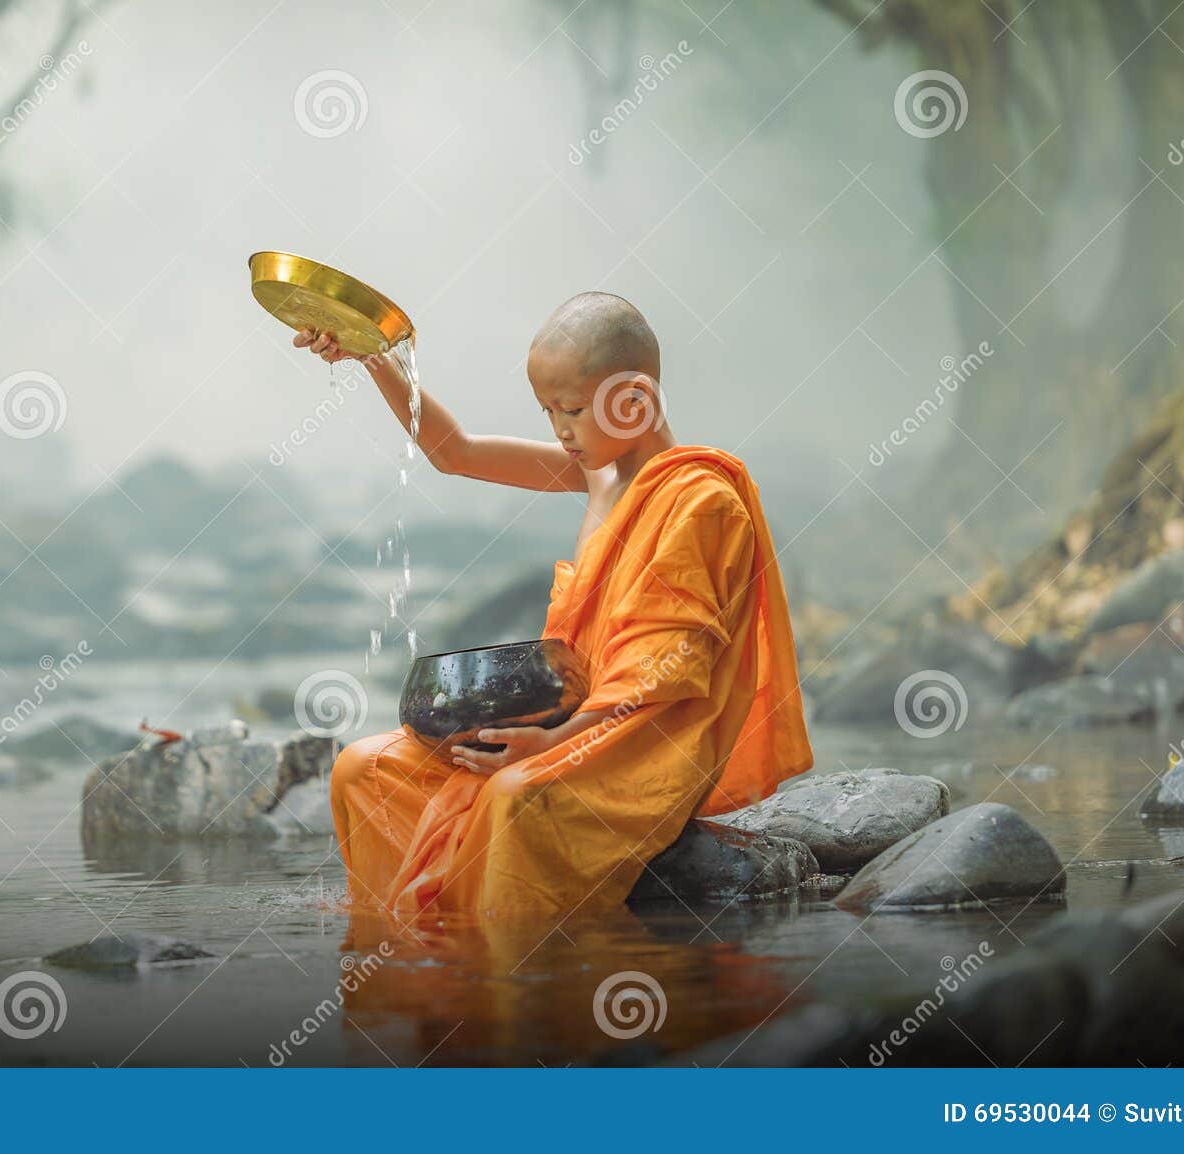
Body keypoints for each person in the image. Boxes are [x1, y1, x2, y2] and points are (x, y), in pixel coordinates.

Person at [294, 291, 811, 915]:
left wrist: (558, 741)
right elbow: (454, 453)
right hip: (563, 728)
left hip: (639, 745)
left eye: (571, 409)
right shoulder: (599, 475)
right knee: (363, 768)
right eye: (548, 411)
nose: (560, 431)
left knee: (513, 792)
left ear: (635, 399)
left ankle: (510, 979)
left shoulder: (699, 500)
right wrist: (372, 357)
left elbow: (663, 671)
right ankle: (413, 973)